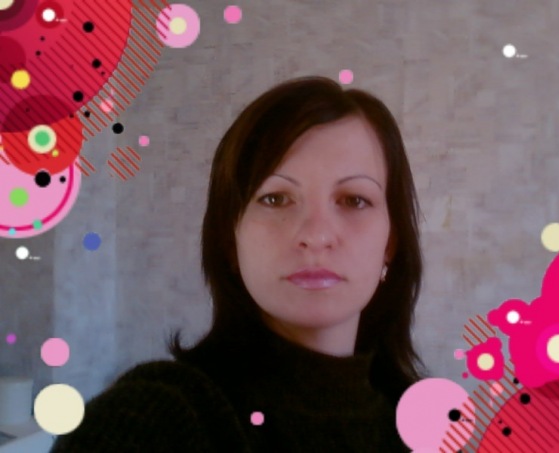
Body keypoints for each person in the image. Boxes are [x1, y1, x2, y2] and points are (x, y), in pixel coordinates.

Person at [50, 76, 424, 452]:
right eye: (275, 198)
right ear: (231, 240)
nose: (316, 235)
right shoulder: (161, 414)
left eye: (354, 200)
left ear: (390, 243)